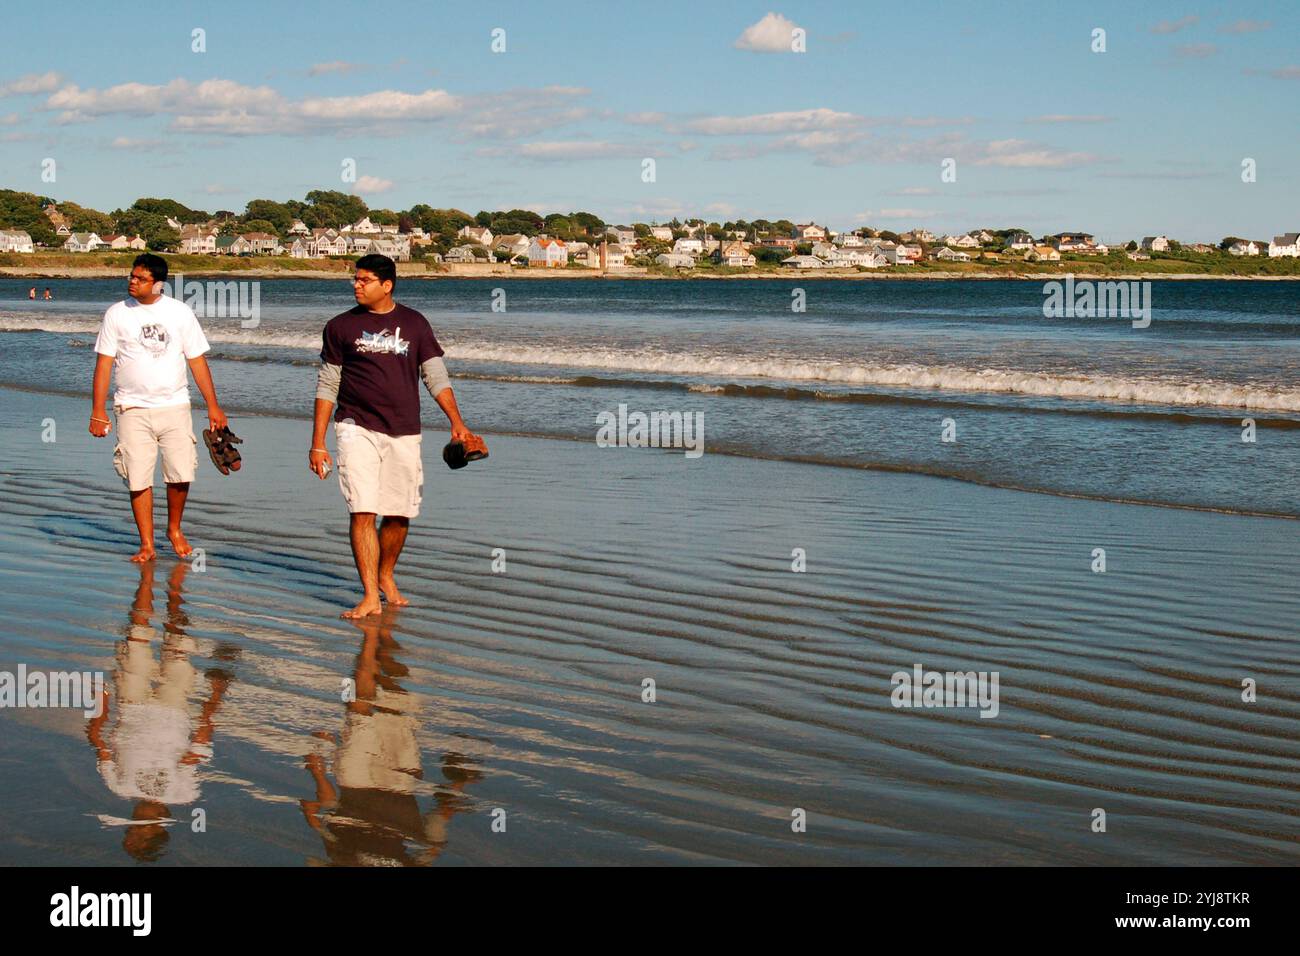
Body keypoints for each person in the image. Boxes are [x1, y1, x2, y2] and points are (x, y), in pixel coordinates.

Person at [309, 253, 480, 618]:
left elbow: (435, 376)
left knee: (400, 514)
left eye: (364, 280)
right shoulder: (339, 327)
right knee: (363, 510)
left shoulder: (415, 323)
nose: (356, 285)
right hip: (355, 427)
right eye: (355, 279)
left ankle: (385, 575)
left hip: (405, 430)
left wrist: (457, 422)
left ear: (386, 285)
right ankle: (370, 594)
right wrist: (318, 443)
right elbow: (327, 385)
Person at [89, 253, 229, 562]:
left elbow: (196, 360)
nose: (132, 281)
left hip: (175, 405)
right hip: (130, 407)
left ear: (158, 284)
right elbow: (104, 363)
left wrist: (213, 406)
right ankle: (146, 543)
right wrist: (97, 411)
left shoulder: (179, 313)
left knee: (180, 472)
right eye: (132, 276)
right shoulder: (117, 314)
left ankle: (174, 529)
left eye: (140, 278)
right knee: (137, 475)